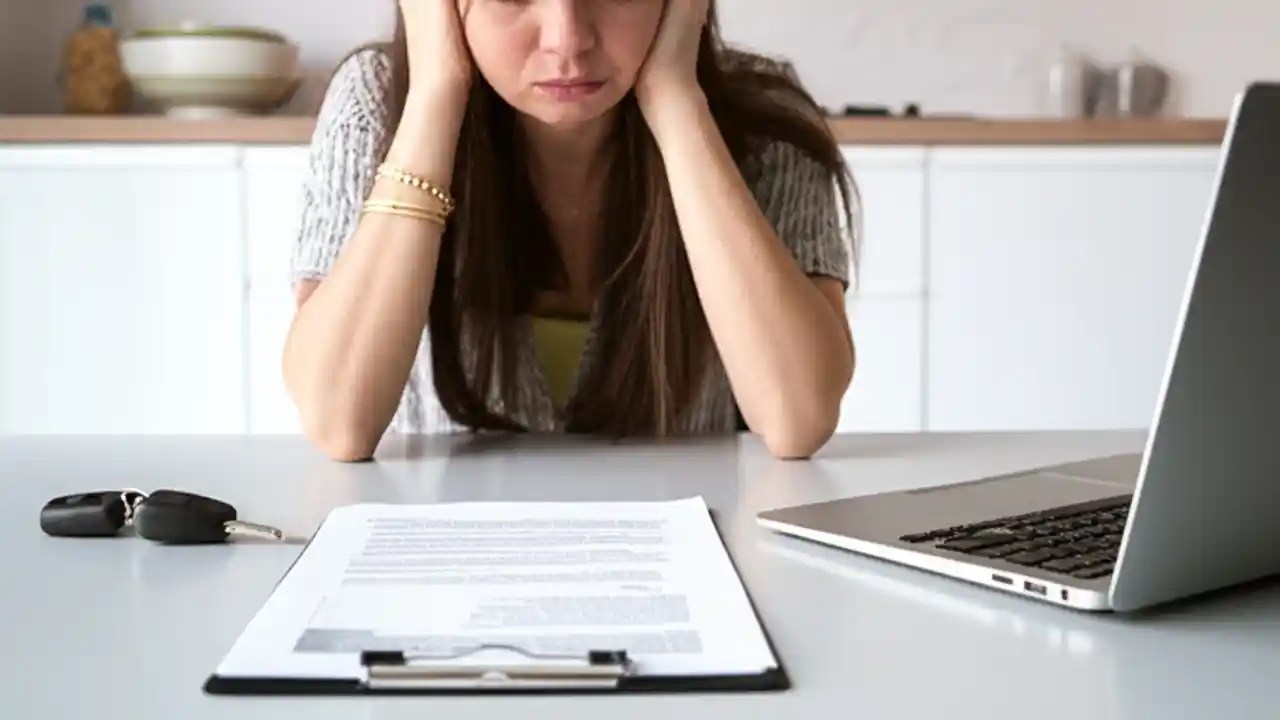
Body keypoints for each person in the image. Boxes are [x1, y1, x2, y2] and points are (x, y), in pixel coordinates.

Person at [282, 0, 860, 463]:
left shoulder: (764, 117)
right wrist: (436, 89)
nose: (567, 38)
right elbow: (339, 424)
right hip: (448, 567)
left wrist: (678, 100)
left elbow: (797, 420)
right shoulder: (377, 100)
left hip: (685, 564)